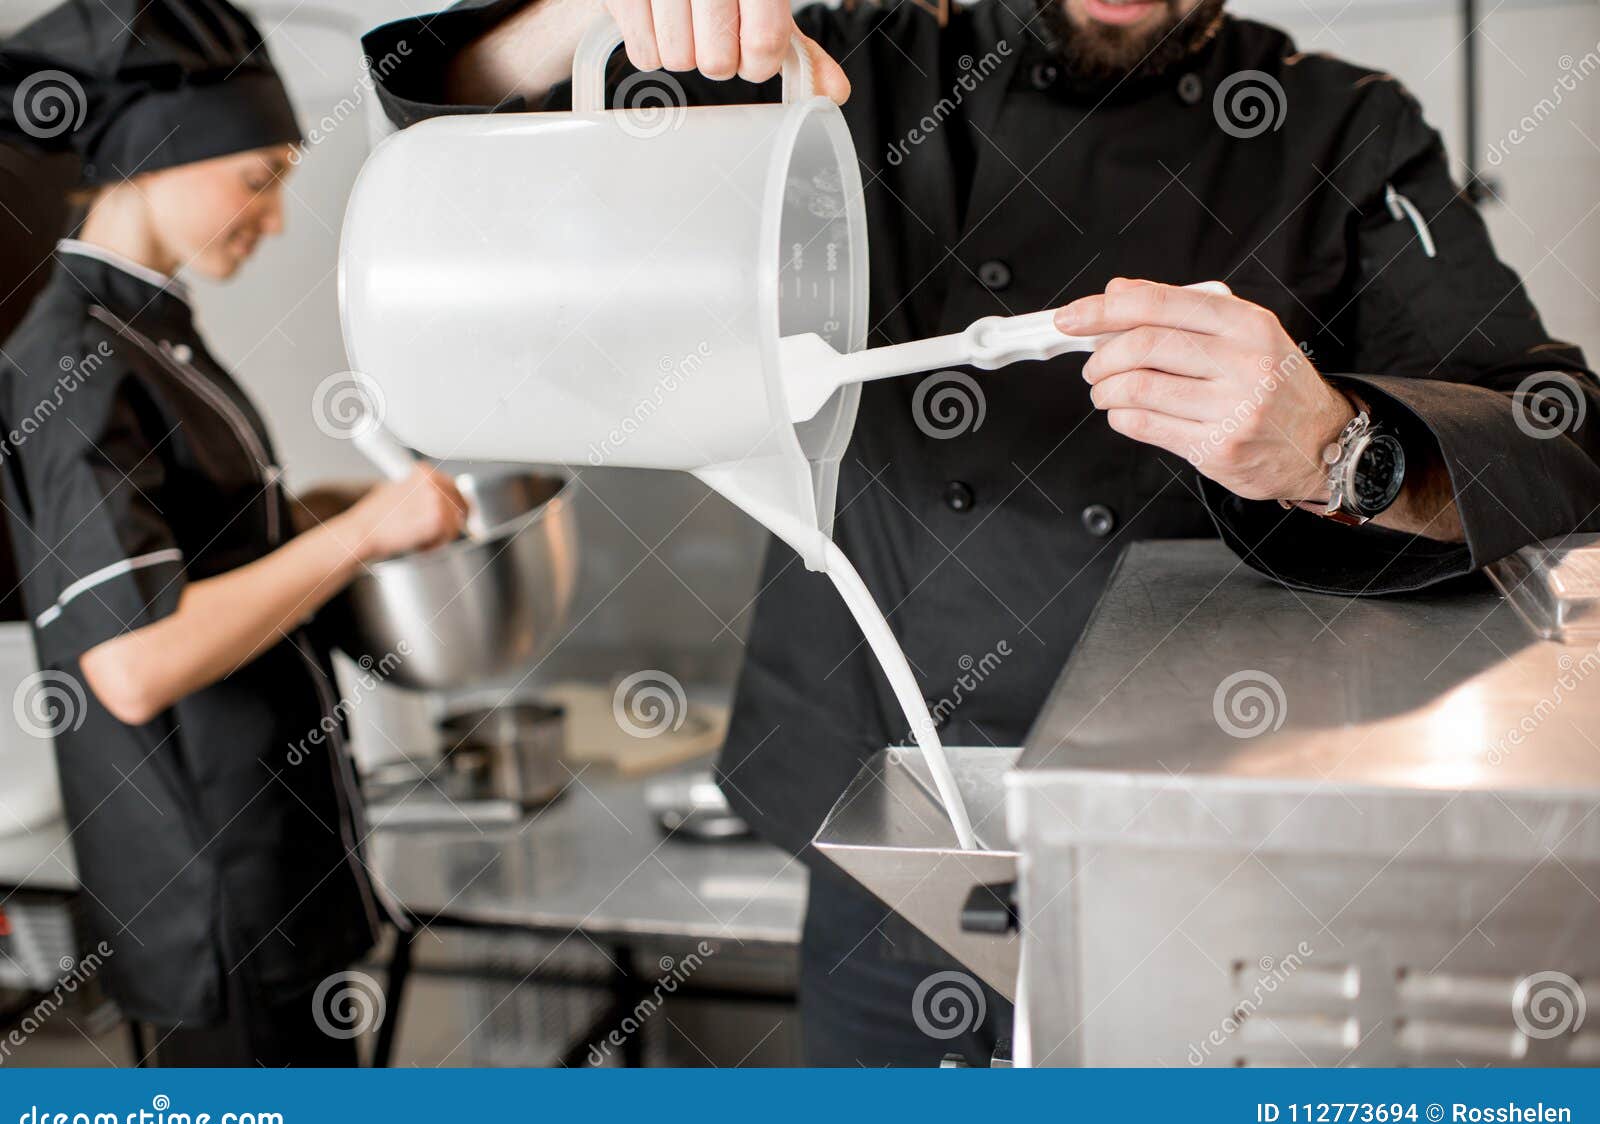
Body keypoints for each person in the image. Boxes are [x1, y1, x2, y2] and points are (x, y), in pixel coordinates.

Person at [359, 0, 1600, 1065]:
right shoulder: (839, 58)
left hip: (1201, 849)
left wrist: (1341, 447)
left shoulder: (1341, 125)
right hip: (881, 845)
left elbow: (1556, 434)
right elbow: (490, 141)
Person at [0, 0, 467, 1066]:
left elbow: (192, 557)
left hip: (275, 884)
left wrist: (321, 516)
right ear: (154, 158)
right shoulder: (75, 365)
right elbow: (131, 662)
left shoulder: (150, 334)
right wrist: (354, 540)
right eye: (258, 179)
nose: (276, 216)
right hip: (215, 906)